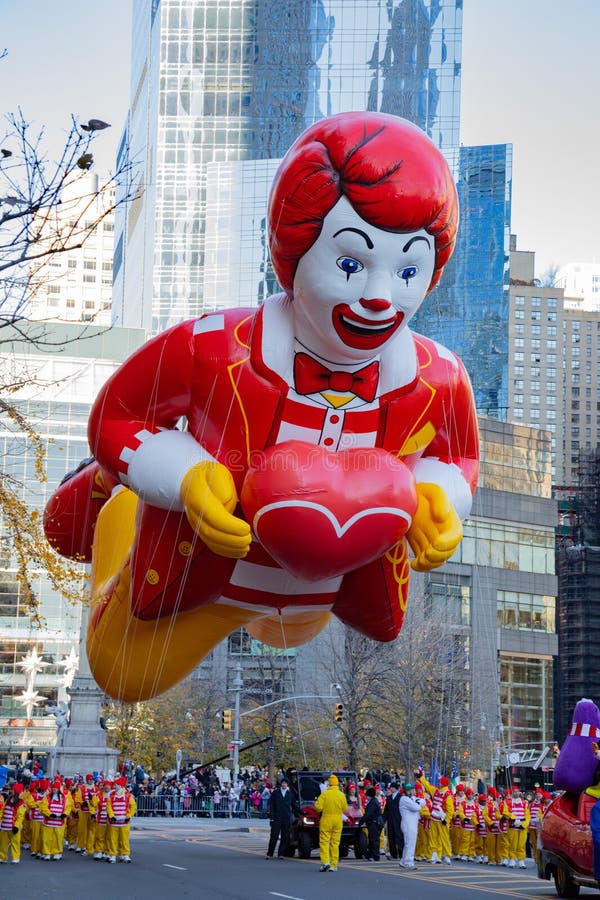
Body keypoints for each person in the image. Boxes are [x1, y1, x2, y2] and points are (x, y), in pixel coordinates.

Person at [44, 110, 479, 704]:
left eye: (408, 269)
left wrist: (437, 498)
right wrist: (183, 475)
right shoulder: (213, 348)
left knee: (292, 625)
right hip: (207, 573)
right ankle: (118, 499)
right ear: (293, 246)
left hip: (330, 589)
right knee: (123, 678)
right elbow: (116, 414)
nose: (380, 296)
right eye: (350, 264)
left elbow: (458, 459)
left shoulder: (441, 378)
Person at [314, 773, 348, 872]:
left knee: (324, 842)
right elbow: (345, 809)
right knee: (335, 843)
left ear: (329, 784)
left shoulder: (324, 794)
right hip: (337, 821)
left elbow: (318, 807)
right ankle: (334, 865)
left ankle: (325, 862)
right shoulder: (341, 795)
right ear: (337, 784)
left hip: (326, 820)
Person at [105, 776, 136, 863]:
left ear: (121, 785)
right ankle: (112, 855)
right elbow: (108, 807)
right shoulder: (111, 795)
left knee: (124, 839)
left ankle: (125, 854)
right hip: (114, 822)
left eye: (116, 784)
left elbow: (133, 806)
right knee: (113, 839)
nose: (114, 786)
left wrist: (129, 816)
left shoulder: (128, 795)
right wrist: (111, 815)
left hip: (124, 822)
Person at [266, 777, 295, 860]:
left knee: (285, 836)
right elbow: (271, 805)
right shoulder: (276, 793)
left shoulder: (290, 794)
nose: (284, 784)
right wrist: (271, 816)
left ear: (287, 784)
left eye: (285, 783)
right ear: (280, 784)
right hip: (277, 817)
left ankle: (281, 853)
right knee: (274, 836)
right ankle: (270, 853)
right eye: (282, 783)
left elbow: (294, 806)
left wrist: (301, 813)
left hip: (286, 817)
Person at [399, 783, 425, 869]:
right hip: (408, 824)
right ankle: (409, 862)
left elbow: (423, 801)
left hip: (413, 823)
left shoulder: (412, 798)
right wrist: (418, 803)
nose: (412, 791)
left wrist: (418, 802)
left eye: (412, 789)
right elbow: (416, 807)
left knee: (409, 843)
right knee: (410, 843)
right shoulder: (404, 799)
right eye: (409, 790)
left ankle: (403, 861)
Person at [0, 783, 26, 864]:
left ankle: (15, 857)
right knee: (3, 843)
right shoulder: (7, 800)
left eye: (14, 791)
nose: (12, 792)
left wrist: (16, 826)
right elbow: (2, 811)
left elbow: (20, 816)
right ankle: (2, 857)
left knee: (15, 843)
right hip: (4, 825)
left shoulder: (21, 803)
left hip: (13, 826)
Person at [359, 786, 384, 862]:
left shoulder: (372, 803)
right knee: (374, 840)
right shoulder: (375, 801)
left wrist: (361, 821)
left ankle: (375, 856)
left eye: (367, 796)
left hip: (374, 824)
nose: (366, 798)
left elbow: (368, 814)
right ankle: (372, 855)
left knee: (374, 840)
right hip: (376, 823)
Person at [384, 781, 403, 859]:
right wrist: (383, 818)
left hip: (398, 820)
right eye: (390, 787)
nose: (390, 789)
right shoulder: (388, 798)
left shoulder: (401, 797)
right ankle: (393, 853)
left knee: (399, 837)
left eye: (392, 787)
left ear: (395, 788)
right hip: (390, 820)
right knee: (391, 837)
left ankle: (401, 853)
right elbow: (386, 810)